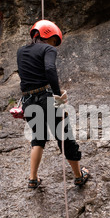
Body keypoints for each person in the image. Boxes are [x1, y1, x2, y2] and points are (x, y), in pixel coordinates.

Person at [17, 19, 90, 189]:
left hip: (28, 101)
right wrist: (57, 96)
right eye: (54, 41)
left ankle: (33, 178)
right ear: (47, 35)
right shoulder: (48, 48)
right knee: (65, 137)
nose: (54, 46)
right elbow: (49, 69)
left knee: (39, 136)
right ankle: (79, 176)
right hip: (46, 98)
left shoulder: (21, 51)